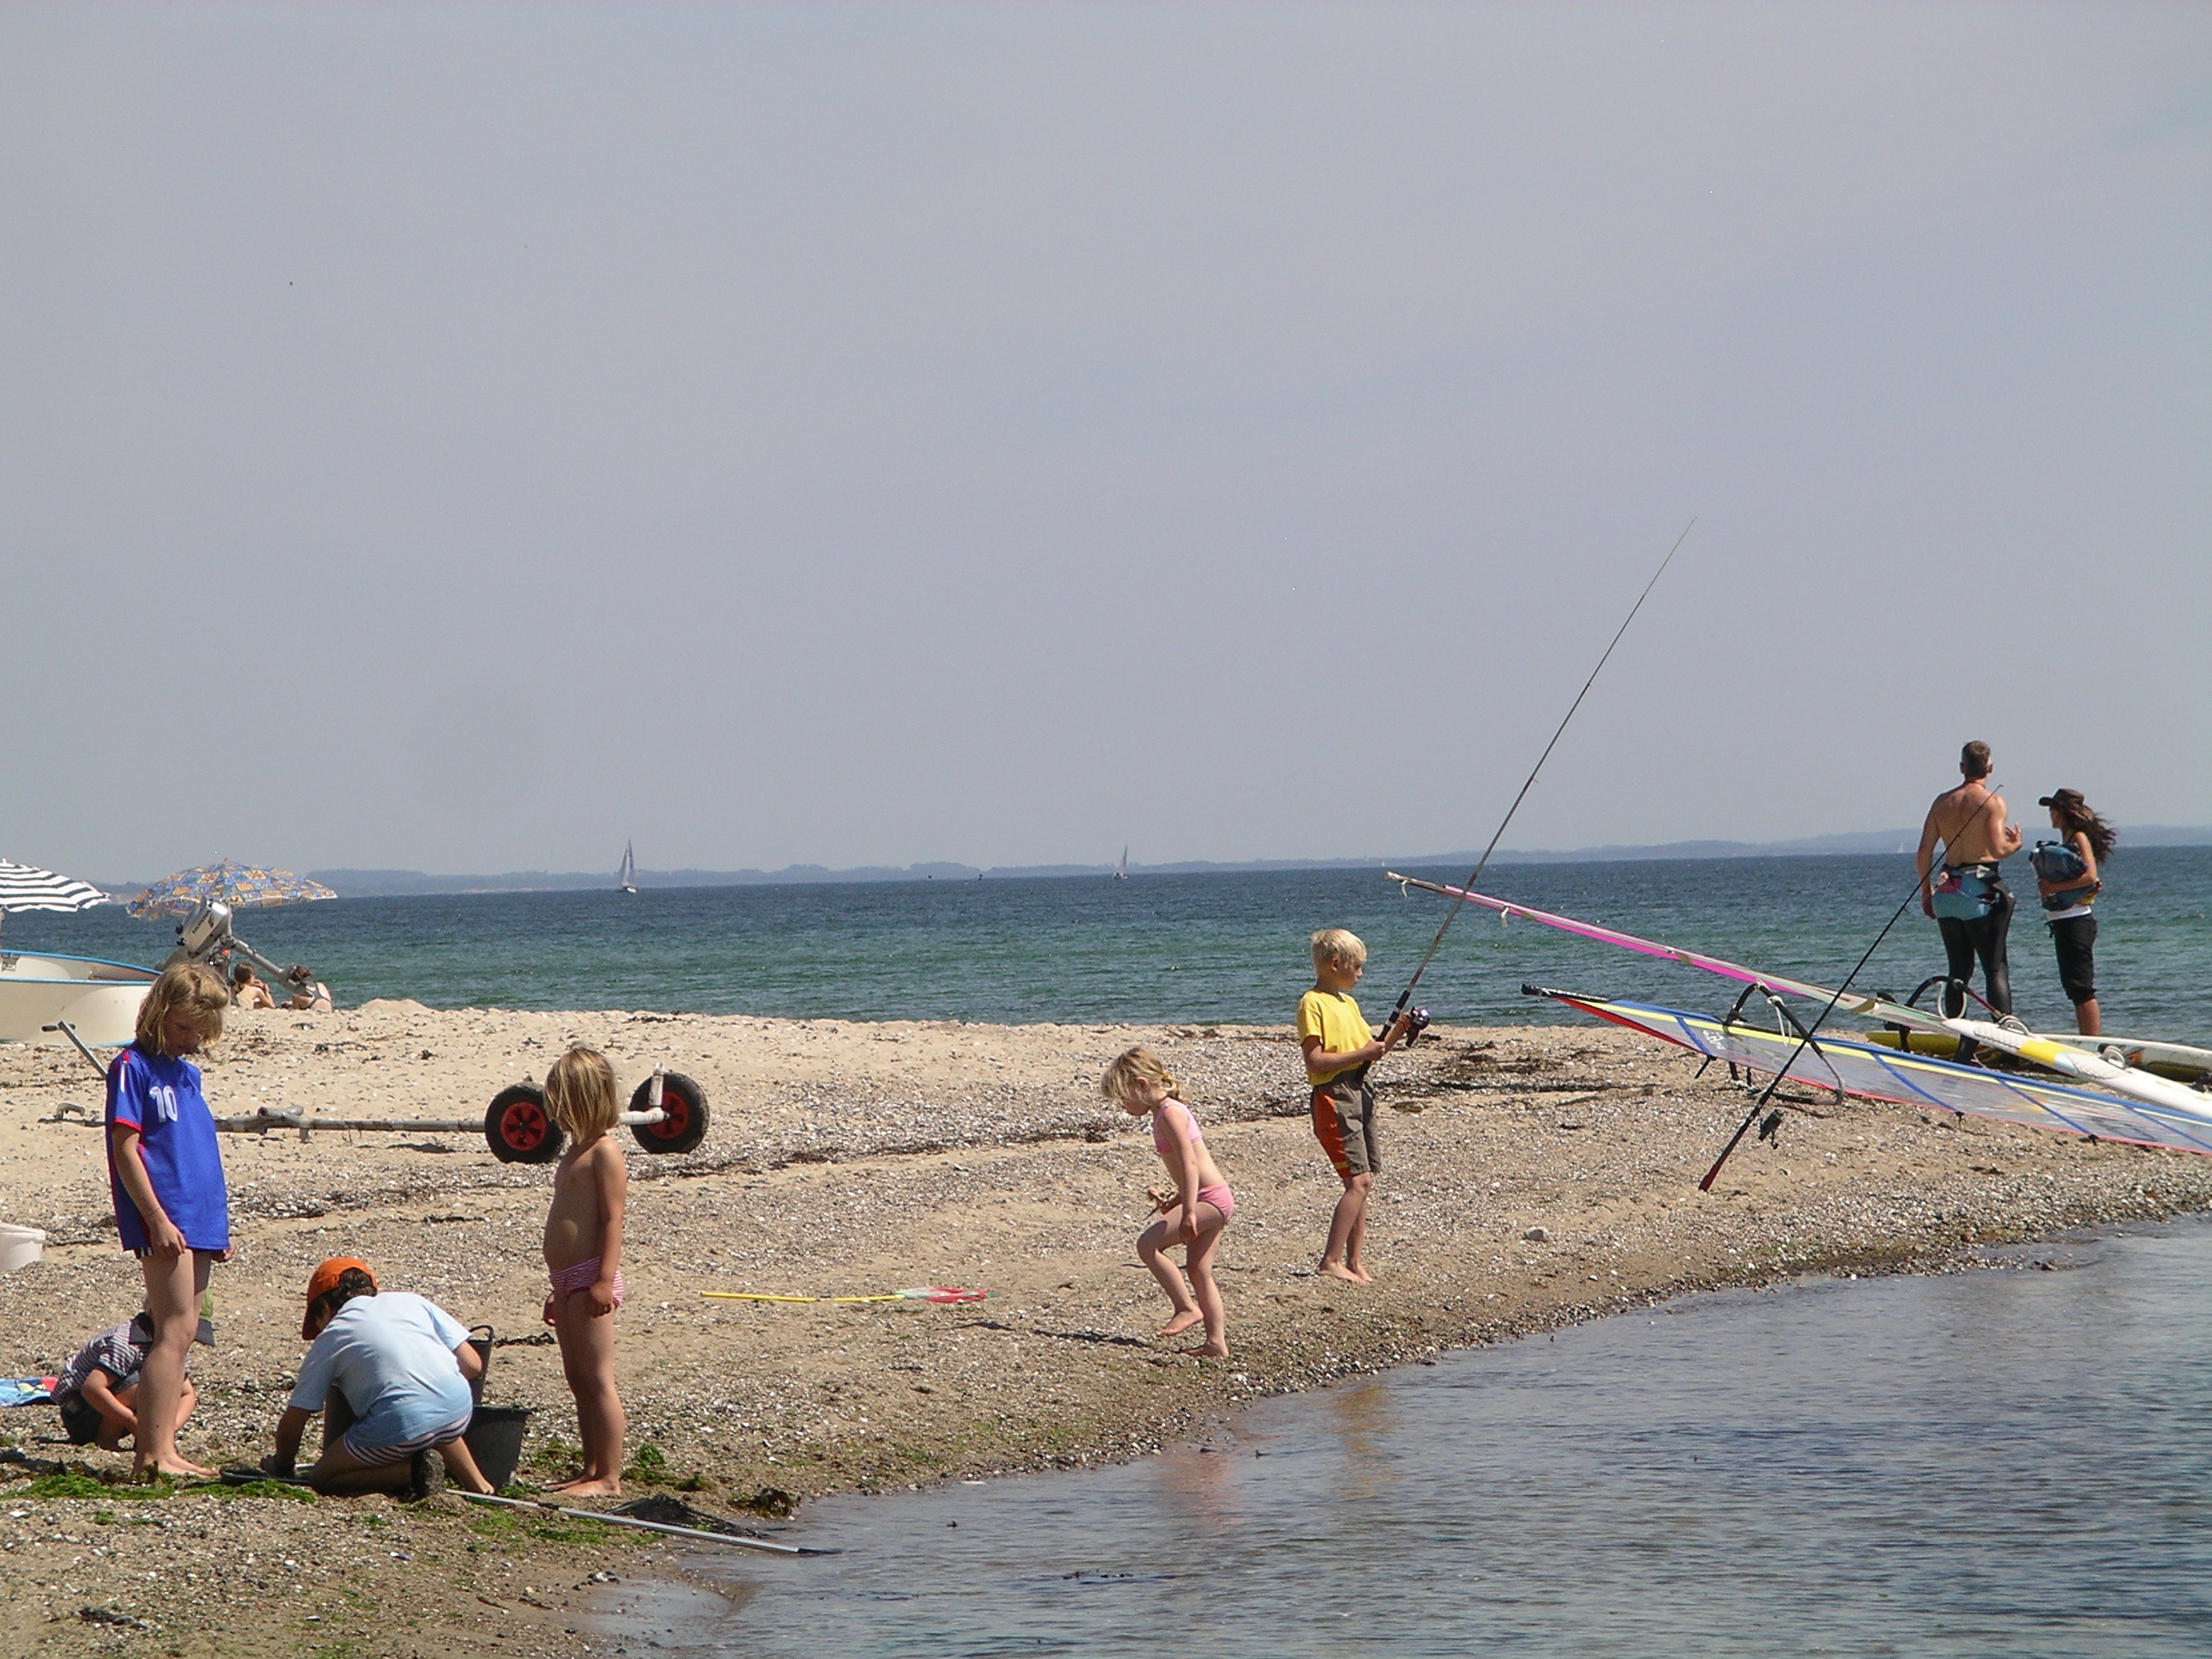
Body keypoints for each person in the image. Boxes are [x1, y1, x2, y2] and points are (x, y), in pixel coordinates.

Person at [104, 963, 231, 1479]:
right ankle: (151, 1453)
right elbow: (126, 1148)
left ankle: (166, 1448)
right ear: (160, 1015)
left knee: (186, 1330)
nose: (191, 1039)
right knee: (172, 1331)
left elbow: (198, 1150)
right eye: (183, 1028)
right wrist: (154, 1217)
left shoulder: (189, 1074)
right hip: (166, 1213)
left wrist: (217, 1226)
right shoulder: (131, 1067)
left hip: (199, 1212)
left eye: (199, 1031)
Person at [262, 1258, 493, 1497]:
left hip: (402, 1421)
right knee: (432, 1415)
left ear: (324, 1307)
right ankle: (480, 1485)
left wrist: (283, 1464)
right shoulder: (410, 1301)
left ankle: (412, 1472)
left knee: (322, 1477)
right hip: (459, 1408)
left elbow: (295, 1421)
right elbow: (473, 1365)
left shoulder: (331, 1336)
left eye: (316, 1321)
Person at [1100, 1047, 1237, 1358]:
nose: (1123, 1105)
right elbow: (1192, 1170)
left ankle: (1186, 1307)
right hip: (1211, 1196)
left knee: (1147, 1246)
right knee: (1200, 1270)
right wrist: (1176, 1199)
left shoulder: (1170, 1113)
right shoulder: (1164, 1112)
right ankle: (1216, 1343)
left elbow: (1190, 1163)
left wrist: (1188, 1210)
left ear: (1141, 1085)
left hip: (1208, 1199)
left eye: (1124, 1097)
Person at [1297, 928, 1410, 1284]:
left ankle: (1354, 1261)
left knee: (1365, 1180)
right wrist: (1364, 1053)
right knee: (1356, 1181)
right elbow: (1315, 1062)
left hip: (1362, 1091)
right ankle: (1330, 1260)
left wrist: (1401, 1030)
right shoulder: (1312, 1003)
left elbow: (1371, 1052)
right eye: (1357, 967)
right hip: (1333, 1095)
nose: (1361, 973)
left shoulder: (1349, 1004)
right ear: (1336, 964)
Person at [540, 1046, 628, 1496]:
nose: (555, 1108)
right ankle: (590, 1466)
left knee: (597, 1378)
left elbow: (612, 1219)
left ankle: (609, 1477)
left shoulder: (604, 1152)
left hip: (593, 1274)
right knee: (577, 1378)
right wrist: (558, 1289)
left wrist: (602, 1280)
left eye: (563, 1098)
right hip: (566, 1280)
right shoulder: (573, 1151)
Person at [1916, 741, 2023, 1019]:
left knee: (1959, 970)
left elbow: (1924, 851)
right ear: (1990, 767)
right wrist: (2016, 845)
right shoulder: (1993, 802)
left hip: (1947, 893)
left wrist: (1926, 892)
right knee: (1995, 967)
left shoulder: (1942, 802)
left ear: (1962, 767)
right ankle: (2006, 1035)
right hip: (1978, 893)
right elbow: (1999, 850)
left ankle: (1955, 1028)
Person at [51, 1309, 212, 1451]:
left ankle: (147, 1440)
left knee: (168, 1381)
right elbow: (92, 1388)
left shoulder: (177, 1347)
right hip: (83, 1412)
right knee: (144, 1382)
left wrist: (167, 1431)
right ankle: (107, 1439)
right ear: (155, 1314)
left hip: (118, 1410)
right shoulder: (127, 1342)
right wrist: (132, 1422)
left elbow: (187, 1394)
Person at [2032, 788, 2117, 1037]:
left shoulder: (2078, 837)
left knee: (2082, 990)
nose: (2050, 814)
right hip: (2064, 921)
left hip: (2075, 922)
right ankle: (2086, 1040)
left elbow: (2091, 876)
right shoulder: (2067, 842)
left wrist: (2053, 886)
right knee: (2074, 988)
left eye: (2052, 809)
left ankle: (2091, 1043)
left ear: (2062, 812)